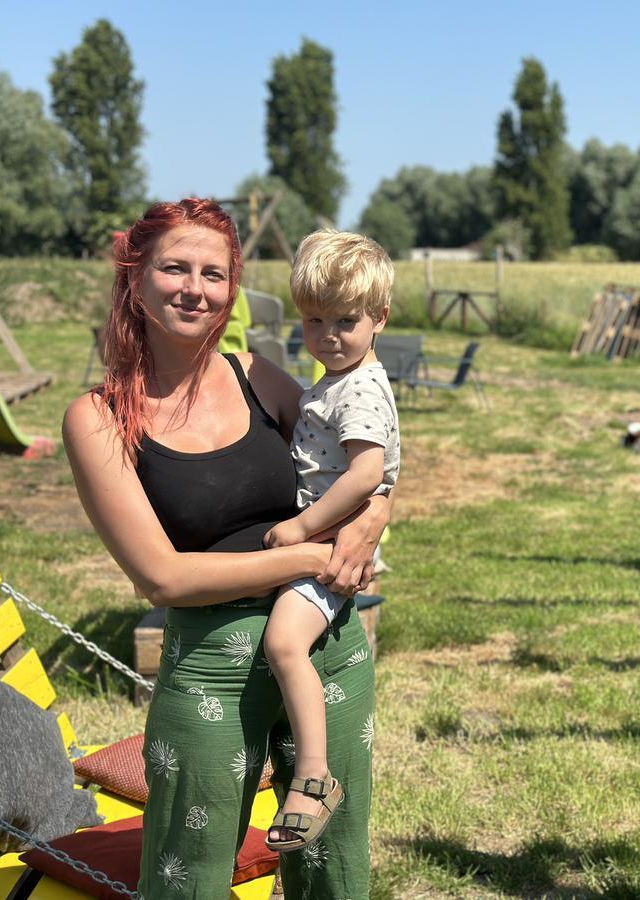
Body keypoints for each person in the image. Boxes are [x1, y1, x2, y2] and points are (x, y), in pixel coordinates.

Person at [62, 198, 386, 899]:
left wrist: (377, 514)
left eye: (213, 273)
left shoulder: (258, 376)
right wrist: (308, 557)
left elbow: (360, 456)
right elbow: (163, 578)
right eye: (174, 267)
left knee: (334, 865)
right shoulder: (97, 418)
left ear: (230, 290)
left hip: (327, 641)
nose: (194, 288)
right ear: (135, 279)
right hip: (213, 667)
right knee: (190, 873)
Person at [261, 230, 400, 852]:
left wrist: (301, 528)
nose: (329, 336)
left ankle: (313, 776)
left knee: (284, 643)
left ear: (379, 319)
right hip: (326, 543)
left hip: (331, 551)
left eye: (346, 321)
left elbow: (367, 474)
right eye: (314, 321)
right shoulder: (336, 381)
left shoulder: (361, 388)